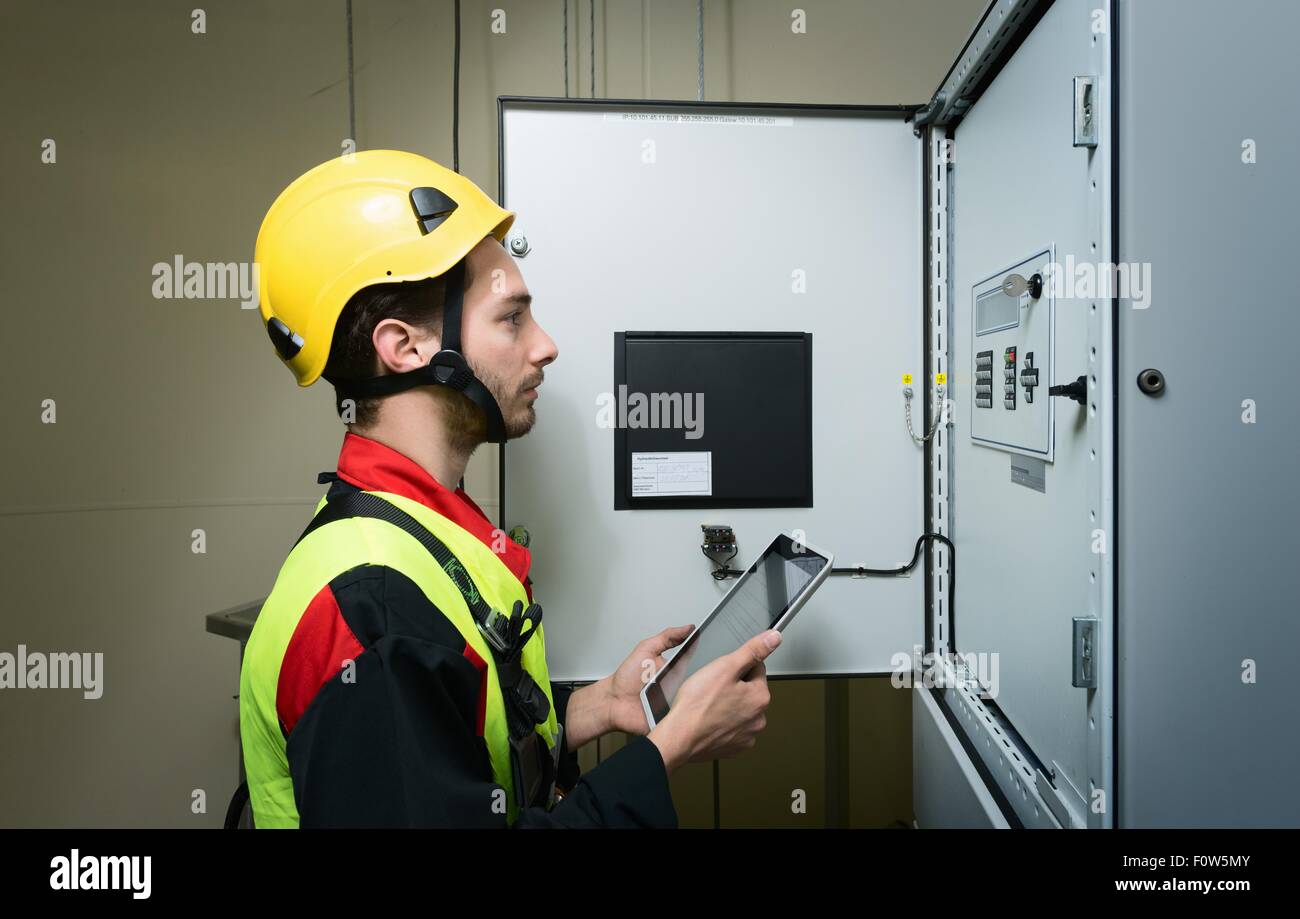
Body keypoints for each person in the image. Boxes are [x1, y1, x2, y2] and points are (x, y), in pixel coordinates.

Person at [239, 150, 777, 827]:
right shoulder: (368, 613)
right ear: (404, 347)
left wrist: (595, 707)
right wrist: (667, 750)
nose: (546, 345)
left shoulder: (411, 529)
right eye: (512, 318)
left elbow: (453, 744)